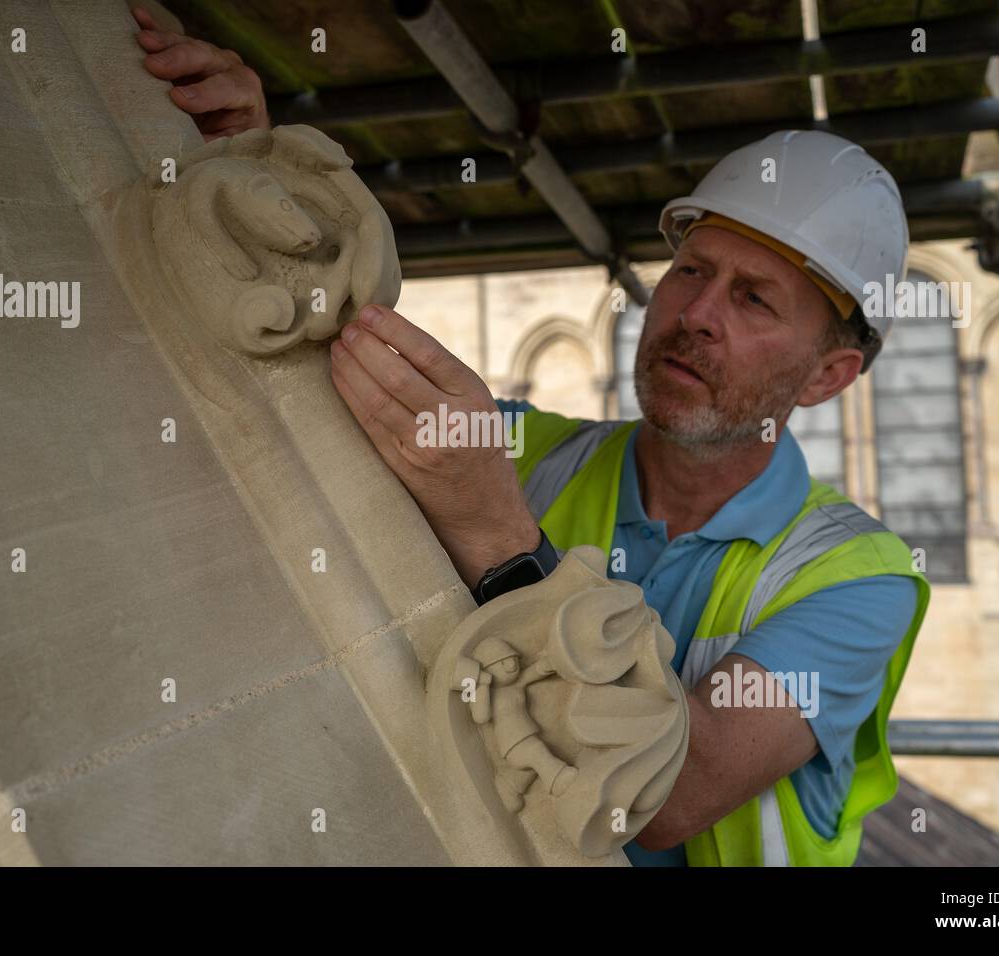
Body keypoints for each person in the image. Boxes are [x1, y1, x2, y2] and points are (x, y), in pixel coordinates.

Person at [134, 10, 930, 867]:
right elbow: (321, 391)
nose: (695, 313)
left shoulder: (858, 581)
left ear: (827, 378)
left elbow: (664, 795)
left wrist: (498, 538)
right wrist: (260, 174)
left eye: (754, 299)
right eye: (692, 270)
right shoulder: (524, 448)